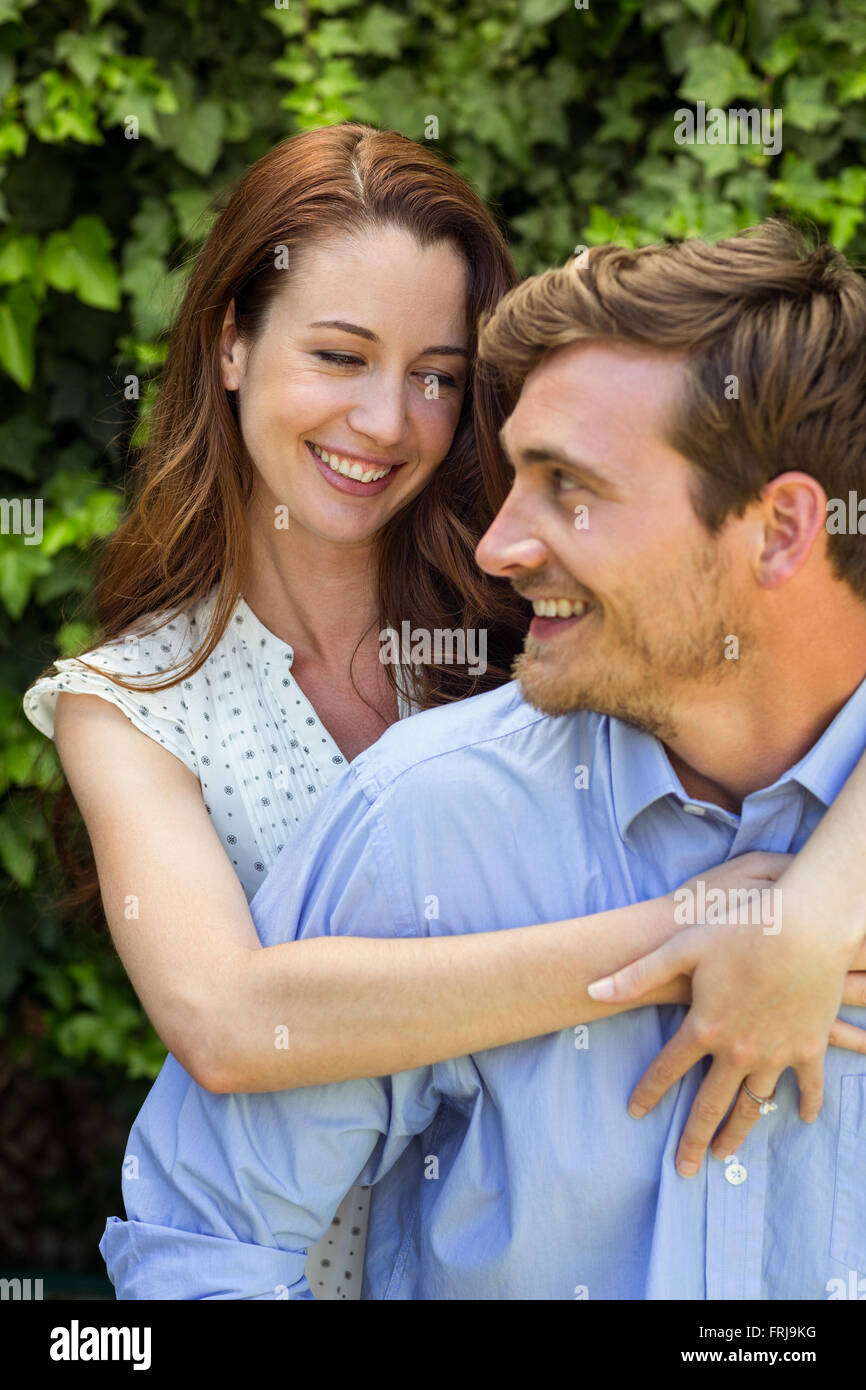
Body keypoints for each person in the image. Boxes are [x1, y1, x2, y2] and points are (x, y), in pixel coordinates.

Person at [99, 218, 866, 1299]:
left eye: (569, 486)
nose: (498, 549)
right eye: (514, 477)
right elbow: (205, 1226)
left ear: (783, 529)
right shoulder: (432, 809)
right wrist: (696, 931)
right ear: (231, 347)